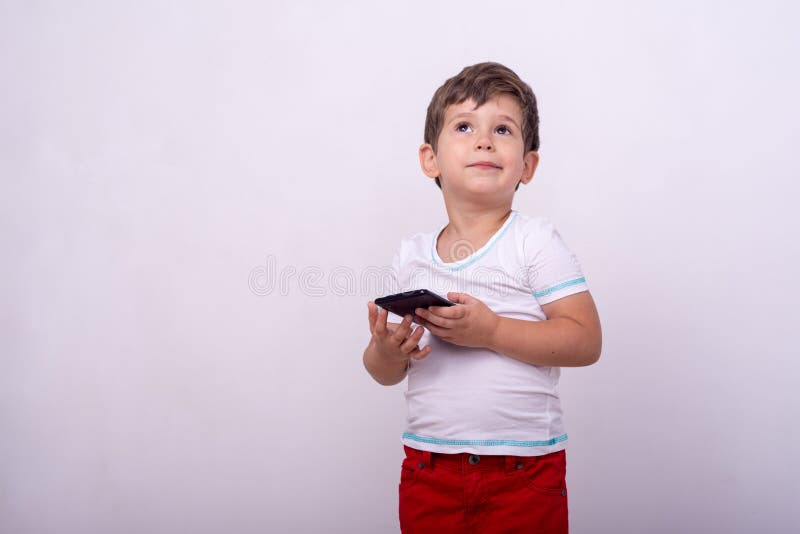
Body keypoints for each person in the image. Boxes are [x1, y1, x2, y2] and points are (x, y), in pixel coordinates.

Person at [363, 62, 602, 533]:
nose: (484, 141)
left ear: (527, 166)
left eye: (503, 129)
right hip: (429, 468)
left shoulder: (534, 241)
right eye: (464, 126)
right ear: (430, 159)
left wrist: (492, 332)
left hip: (523, 472)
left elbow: (586, 341)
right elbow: (384, 374)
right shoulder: (411, 254)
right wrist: (387, 351)